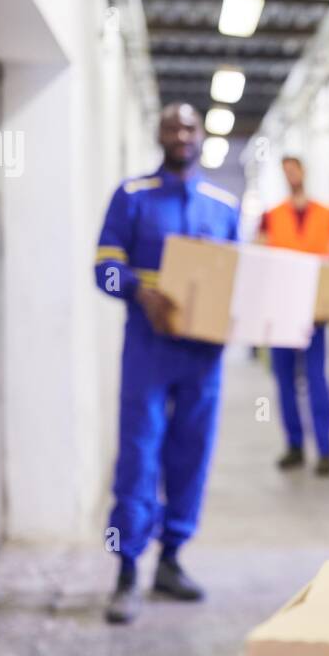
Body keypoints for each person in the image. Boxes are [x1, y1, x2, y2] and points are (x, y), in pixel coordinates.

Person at [93, 103, 240, 624]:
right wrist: (139, 292)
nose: (181, 134)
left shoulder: (223, 205)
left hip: (204, 356)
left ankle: (172, 560)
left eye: (189, 127)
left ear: (201, 136)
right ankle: (127, 569)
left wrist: (238, 317)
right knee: (138, 454)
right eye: (172, 126)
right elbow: (103, 270)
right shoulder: (132, 197)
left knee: (190, 456)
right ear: (159, 134)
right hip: (148, 352)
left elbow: (240, 280)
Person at [257, 156, 329, 477]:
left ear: (304, 171)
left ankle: (325, 450)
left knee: (316, 380)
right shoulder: (271, 216)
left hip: (313, 314)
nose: (291, 175)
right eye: (286, 171)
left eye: (295, 168)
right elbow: (259, 262)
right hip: (280, 313)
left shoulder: (327, 214)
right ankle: (294, 445)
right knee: (284, 381)